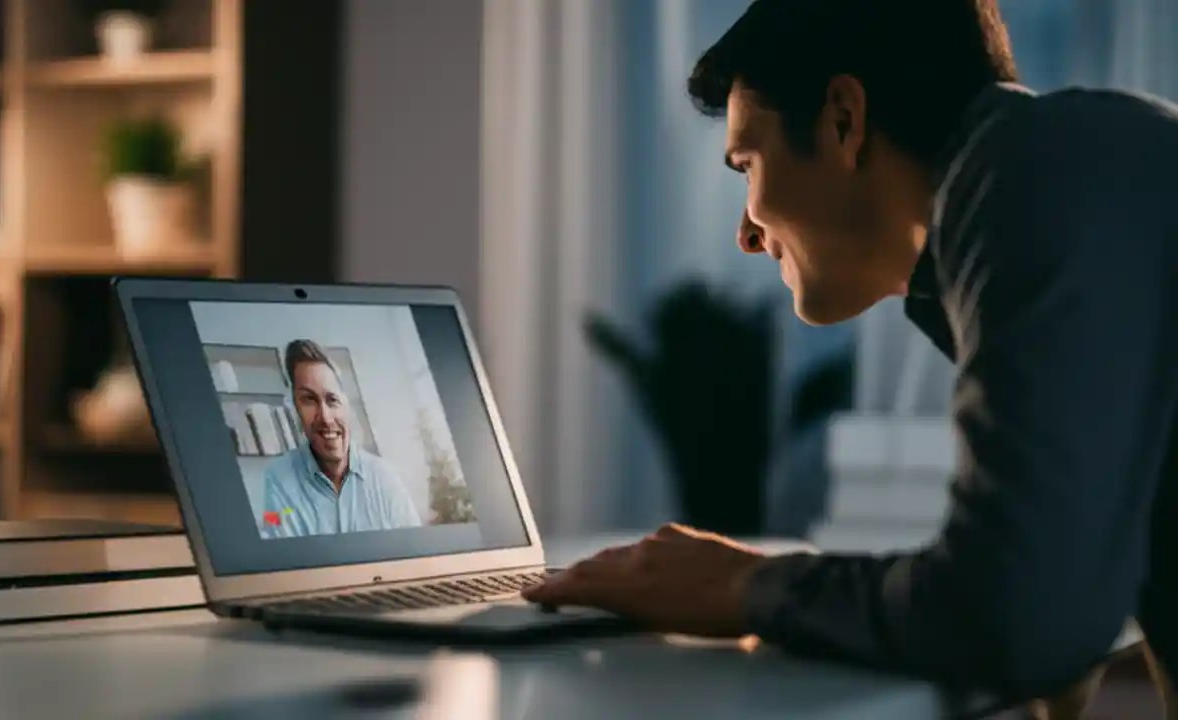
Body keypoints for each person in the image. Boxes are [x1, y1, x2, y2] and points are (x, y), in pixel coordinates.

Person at [523, 0, 1177, 715]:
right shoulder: (1079, 168)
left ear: (843, 118)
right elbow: (1057, 588)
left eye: (748, 164)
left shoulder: (1032, 181)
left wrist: (741, 586)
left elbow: (1020, 613)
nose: (747, 232)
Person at [261, 339, 422, 537]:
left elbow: (415, 555)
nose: (326, 418)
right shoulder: (277, 479)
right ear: (295, 410)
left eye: (332, 400)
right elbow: (283, 557)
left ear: (346, 407)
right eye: (309, 400)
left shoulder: (384, 478)